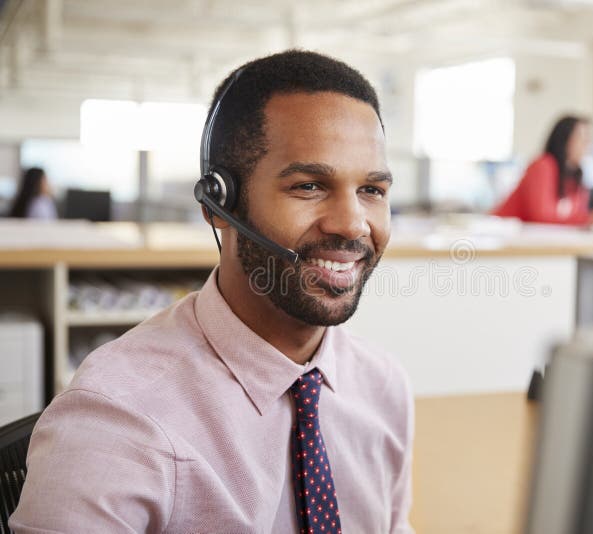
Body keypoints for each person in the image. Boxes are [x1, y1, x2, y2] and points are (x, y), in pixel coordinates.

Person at [11, 50, 414, 533]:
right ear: (219, 204)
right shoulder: (116, 421)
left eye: (372, 190)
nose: (352, 223)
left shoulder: (383, 387)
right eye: (309, 186)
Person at [492, 115, 593, 225]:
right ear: (565, 139)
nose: (587, 144)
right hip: (502, 231)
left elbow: (577, 214)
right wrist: (591, 219)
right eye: (582, 138)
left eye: (588, 139)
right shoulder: (543, 165)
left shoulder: (576, 177)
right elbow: (540, 217)